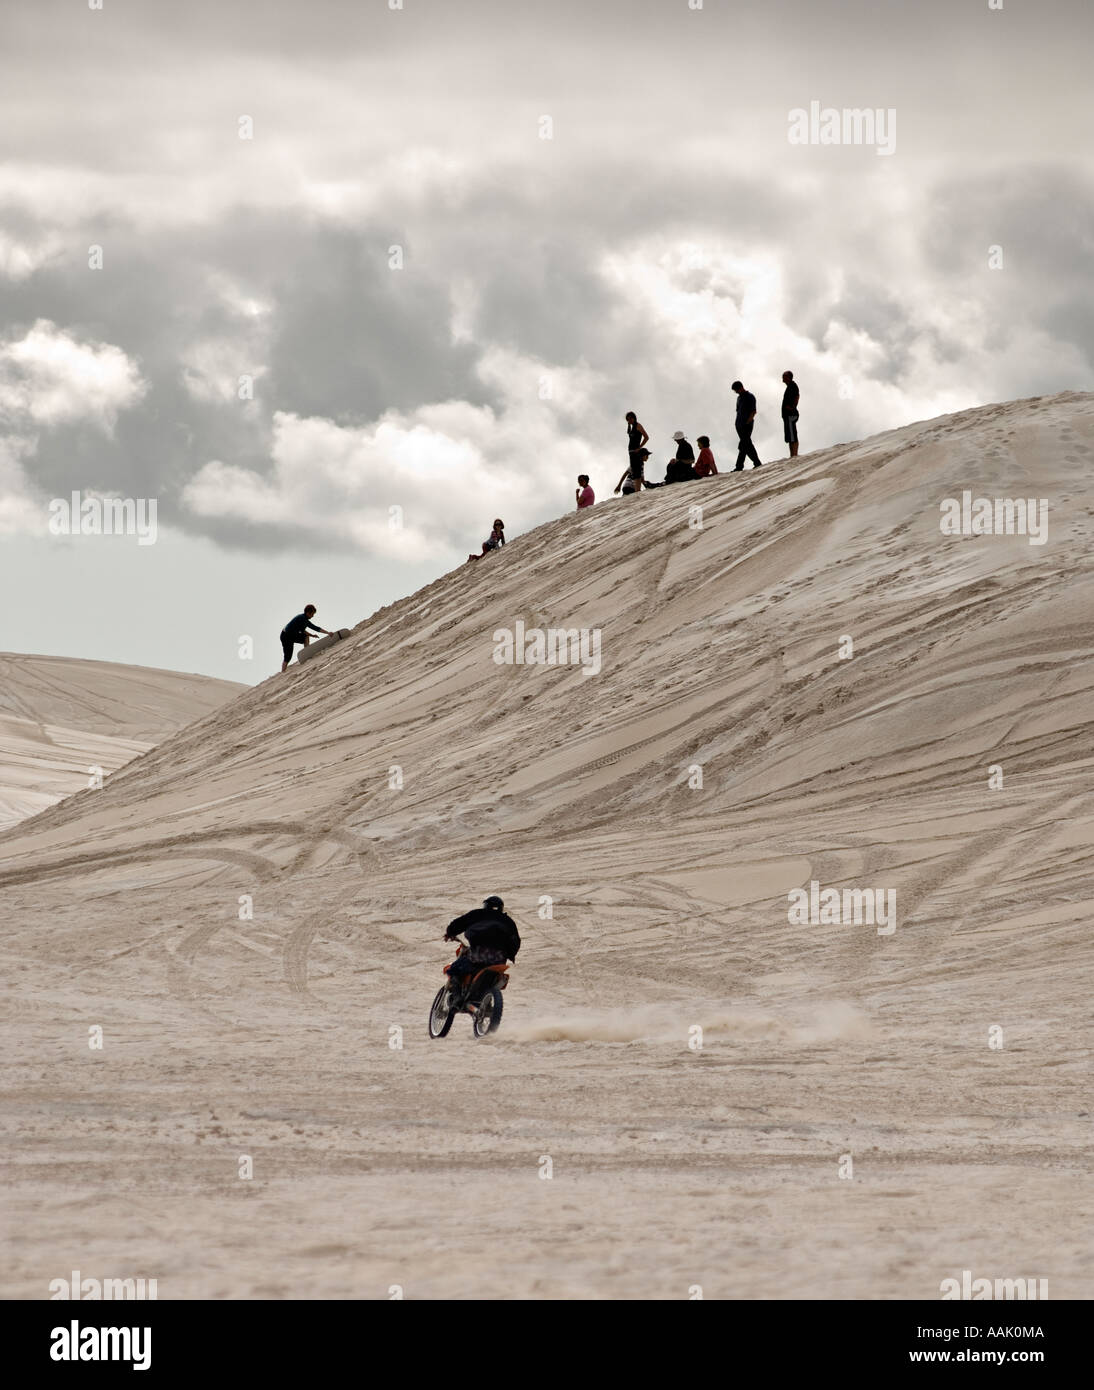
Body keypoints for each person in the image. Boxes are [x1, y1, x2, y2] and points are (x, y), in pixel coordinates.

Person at [444, 895, 522, 1000]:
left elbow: (458, 923)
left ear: (485, 905)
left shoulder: (478, 914)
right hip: (499, 960)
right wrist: (508, 954)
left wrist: (449, 933)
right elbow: (515, 942)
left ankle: (457, 997)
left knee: (455, 968)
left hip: (478, 955)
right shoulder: (508, 921)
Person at [280, 604, 334, 672]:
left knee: (305, 637)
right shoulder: (301, 618)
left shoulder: (304, 619)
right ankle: (283, 672)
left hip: (291, 635)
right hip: (286, 636)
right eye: (312, 614)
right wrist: (327, 633)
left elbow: (312, 628)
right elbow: (307, 629)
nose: (312, 616)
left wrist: (325, 633)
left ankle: (306, 652)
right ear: (308, 613)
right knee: (288, 657)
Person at [731, 380, 762, 470]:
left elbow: (753, 411)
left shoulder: (750, 397)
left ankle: (740, 466)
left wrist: (748, 422)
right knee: (746, 444)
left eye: (736, 390)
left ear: (740, 387)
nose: (736, 392)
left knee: (744, 445)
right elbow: (738, 411)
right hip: (739, 425)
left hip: (746, 425)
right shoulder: (739, 398)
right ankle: (756, 462)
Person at [781, 371, 800, 457]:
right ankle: (792, 455)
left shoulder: (793, 386)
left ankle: (794, 455)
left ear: (789, 377)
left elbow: (797, 396)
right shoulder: (789, 387)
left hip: (791, 414)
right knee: (789, 436)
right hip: (787, 415)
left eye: (784, 376)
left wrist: (793, 407)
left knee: (792, 435)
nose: (783, 378)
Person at [625, 411, 649, 476]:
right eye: (627, 419)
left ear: (634, 418)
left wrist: (639, 447)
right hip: (631, 452)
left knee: (637, 474)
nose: (628, 420)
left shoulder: (638, 425)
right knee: (634, 473)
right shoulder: (632, 427)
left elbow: (646, 437)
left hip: (636, 452)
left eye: (629, 418)